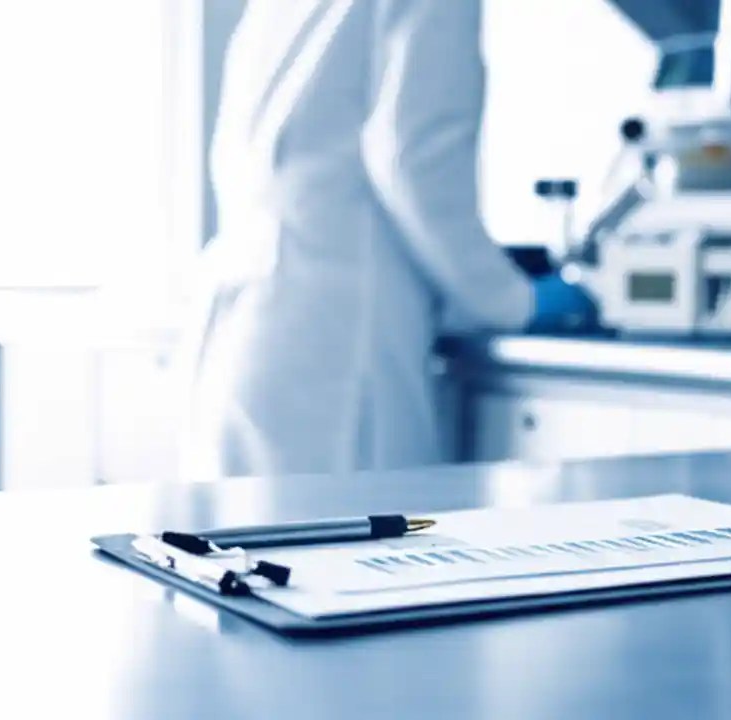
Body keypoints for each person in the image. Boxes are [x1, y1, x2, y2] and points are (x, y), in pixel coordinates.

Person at [179, 0, 594, 479]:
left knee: (257, 545)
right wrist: (512, 300)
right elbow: (415, 161)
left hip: (252, 333)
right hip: (336, 347)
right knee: (357, 541)